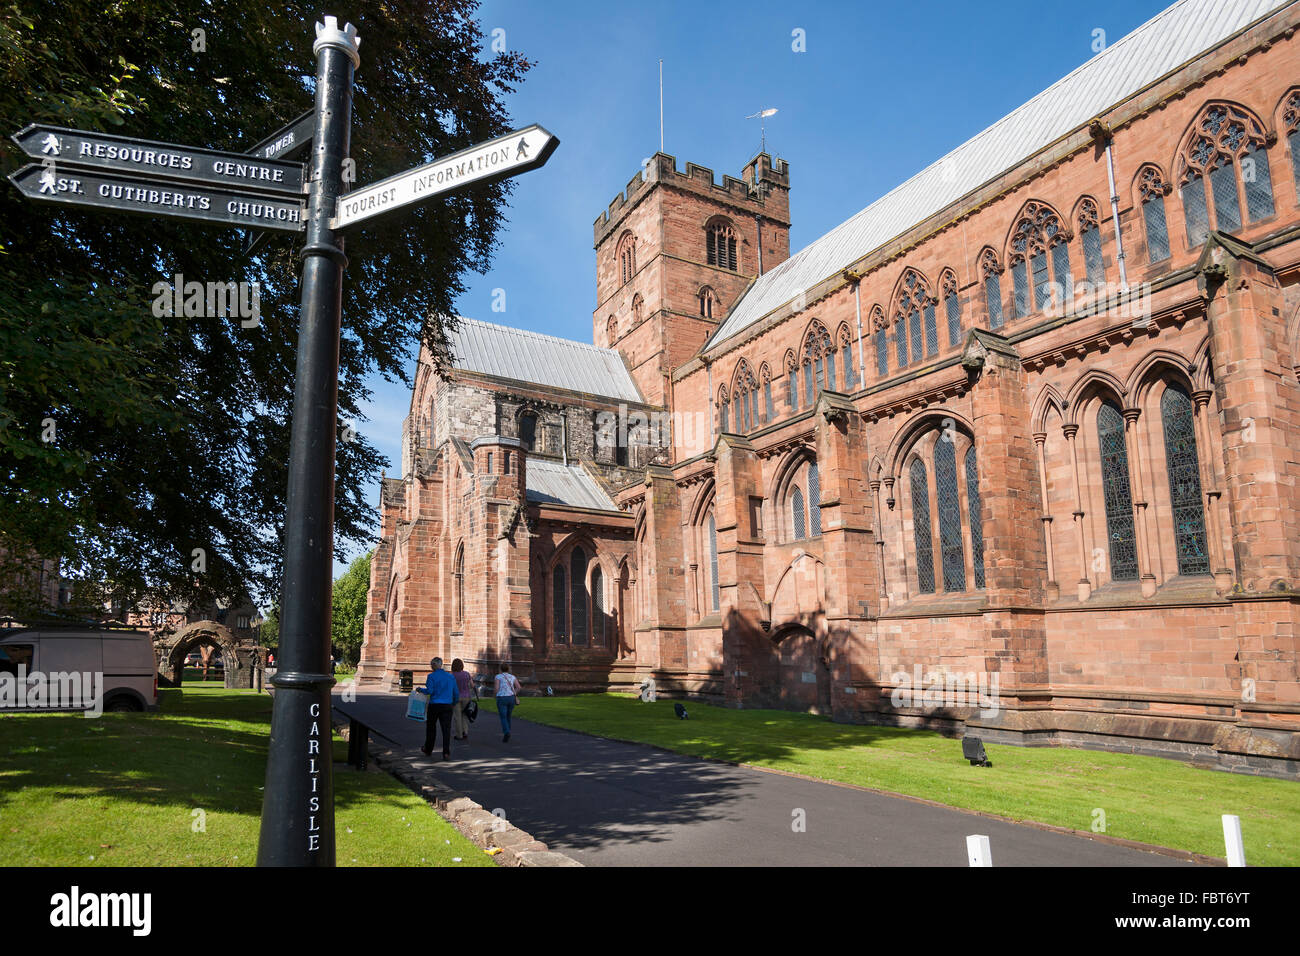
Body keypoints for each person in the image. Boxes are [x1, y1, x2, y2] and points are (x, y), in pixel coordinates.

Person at [416, 657, 459, 760]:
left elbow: (430, 691)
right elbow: (456, 693)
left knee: (431, 728)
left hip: (434, 705)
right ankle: (446, 752)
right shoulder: (450, 677)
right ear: (441, 665)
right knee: (446, 730)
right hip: (447, 705)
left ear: (433, 666)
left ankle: (428, 749)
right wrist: (454, 703)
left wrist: (420, 689)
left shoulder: (431, 676)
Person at [450, 658, 476, 741]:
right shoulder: (467, 674)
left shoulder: (452, 675)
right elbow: (472, 685)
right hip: (466, 696)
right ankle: (465, 732)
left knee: (457, 717)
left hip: (456, 697)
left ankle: (459, 735)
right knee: (464, 715)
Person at [494, 662, 520, 743]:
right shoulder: (512, 677)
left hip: (502, 698)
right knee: (508, 716)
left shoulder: (498, 677)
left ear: (501, 669)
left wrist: (495, 695)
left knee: (503, 717)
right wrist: (514, 693)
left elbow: (496, 688)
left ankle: (506, 732)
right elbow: (518, 687)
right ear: (508, 669)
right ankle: (508, 731)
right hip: (511, 698)